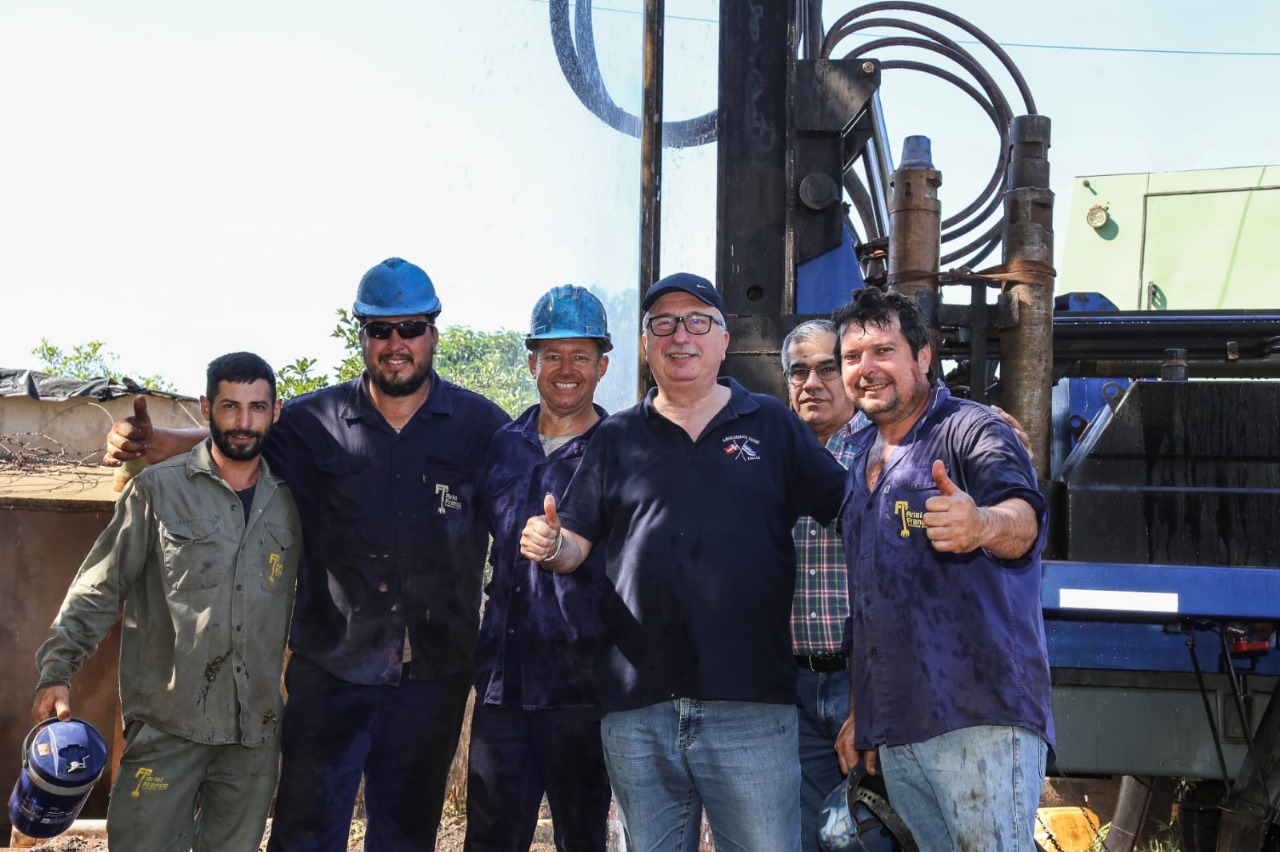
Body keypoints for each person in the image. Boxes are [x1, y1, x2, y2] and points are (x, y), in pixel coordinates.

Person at [104, 258, 510, 852]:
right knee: (304, 834)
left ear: (434, 334)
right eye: (379, 330)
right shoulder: (315, 421)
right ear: (362, 337)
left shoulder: (480, 426)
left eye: (411, 328)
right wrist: (161, 441)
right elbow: (242, 439)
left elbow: (536, 477)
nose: (395, 344)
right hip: (331, 673)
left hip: (433, 676)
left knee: (405, 836)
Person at [520, 272, 847, 852]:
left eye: (698, 322)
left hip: (751, 705)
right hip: (637, 708)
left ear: (723, 341)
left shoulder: (772, 425)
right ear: (646, 346)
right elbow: (575, 546)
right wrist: (552, 544)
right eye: (662, 325)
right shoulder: (617, 437)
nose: (680, 336)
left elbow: (851, 511)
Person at [31, 352, 299, 852]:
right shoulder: (157, 491)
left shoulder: (291, 502)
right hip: (167, 729)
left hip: (253, 736)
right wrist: (57, 670)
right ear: (205, 408)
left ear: (276, 412)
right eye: (230, 407)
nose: (244, 423)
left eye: (257, 408)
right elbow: (100, 586)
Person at [832, 286, 1054, 851]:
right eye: (852, 357)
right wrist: (863, 714)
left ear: (923, 358)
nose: (866, 369)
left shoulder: (971, 430)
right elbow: (868, 605)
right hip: (899, 727)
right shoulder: (861, 463)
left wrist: (980, 523)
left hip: (978, 717)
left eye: (883, 351)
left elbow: (1023, 517)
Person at [465, 285, 614, 852]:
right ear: (532, 362)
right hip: (502, 691)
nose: (566, 369)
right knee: (490, 841)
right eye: (552, 355)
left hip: (584, 696)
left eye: (580, 355)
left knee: (582, 840)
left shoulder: (621, 448)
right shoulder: (501, 445)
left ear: (602, 365)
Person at [781, 319, 862, 852]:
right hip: (792, 685)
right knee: (811, 836)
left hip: (863, 680)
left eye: (828, 368)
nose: (812, 382)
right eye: (799, 371)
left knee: (870, 832)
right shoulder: (766, 458)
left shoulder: (886, 452)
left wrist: (873, 701)